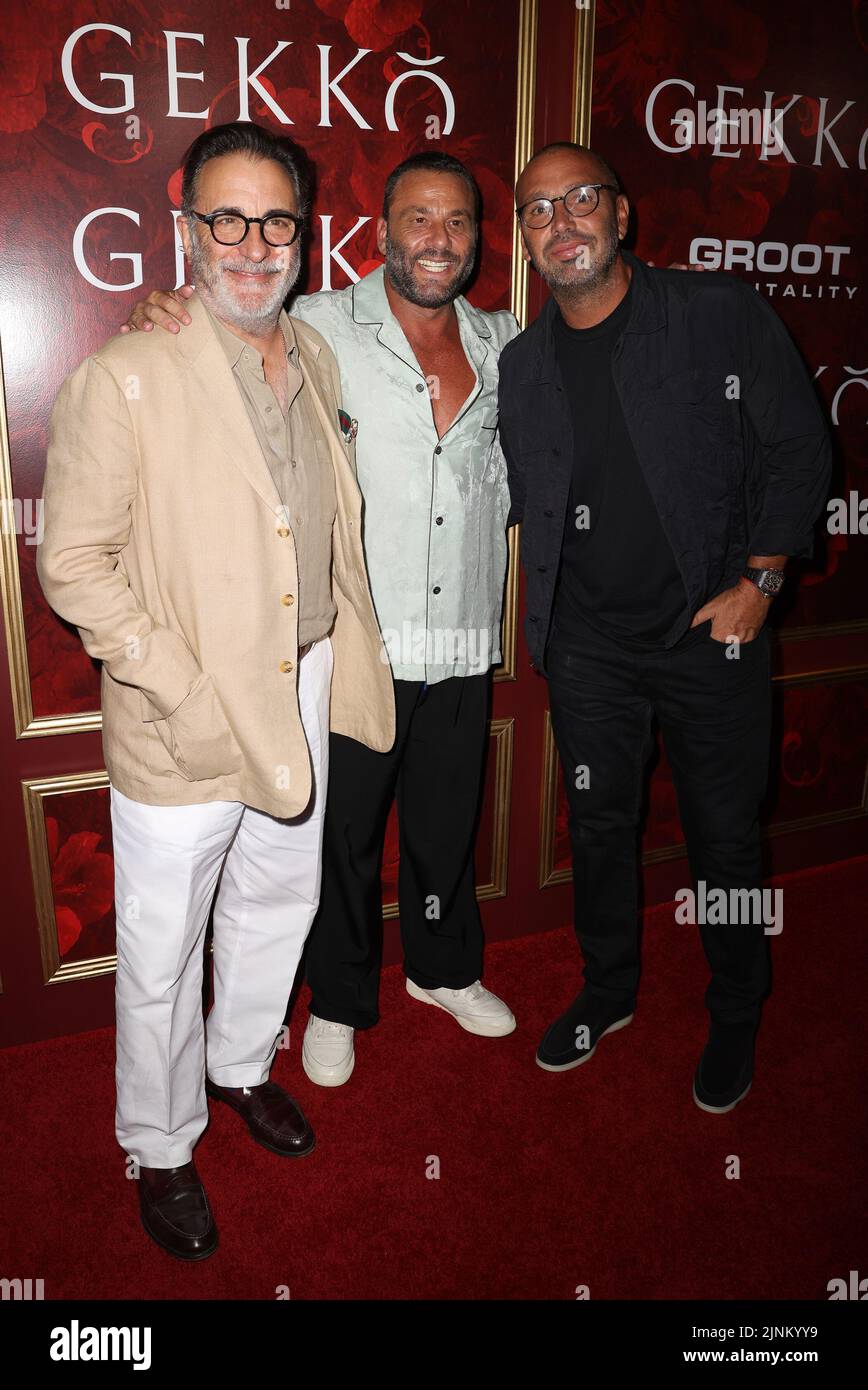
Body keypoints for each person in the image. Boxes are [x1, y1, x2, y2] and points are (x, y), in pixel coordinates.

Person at [37, 121, 394, 1260]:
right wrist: (181, 685)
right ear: (187, 229)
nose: (252, 242)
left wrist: (338, 663)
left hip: (306, 680)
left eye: (275, 219)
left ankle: (241, 1067)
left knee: (276, 901)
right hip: (184, 709)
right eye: (225, 218)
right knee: (160, 943)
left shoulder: (319, 355)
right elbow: (73, 563)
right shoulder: (126, 373)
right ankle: (159, 1137)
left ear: (303, 231)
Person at [124, 150, 519, 1087]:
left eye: (458, 221)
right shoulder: (316, 323)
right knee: (340, 839)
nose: (439, 238)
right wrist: (161, 305)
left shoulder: (504, 340)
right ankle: (339, 999)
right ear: (379, 232)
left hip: (463, 632)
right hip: (356, 643)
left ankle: (442, 969)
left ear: (477, 239)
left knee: (443, 827)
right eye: (418, 219)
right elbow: (217, 320)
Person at [498, 141, 831, 1112]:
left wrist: (761, 580)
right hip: (589, 648)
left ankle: (736, 1007)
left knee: (725, 836)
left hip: (711, 636)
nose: (560, 222)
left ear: (622, 213)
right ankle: (609, 990)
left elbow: (798, 446)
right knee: (600, 826)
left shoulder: (715, 315)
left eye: (579, 200)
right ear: (522, 238)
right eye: (536, 210)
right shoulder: (521, 364)